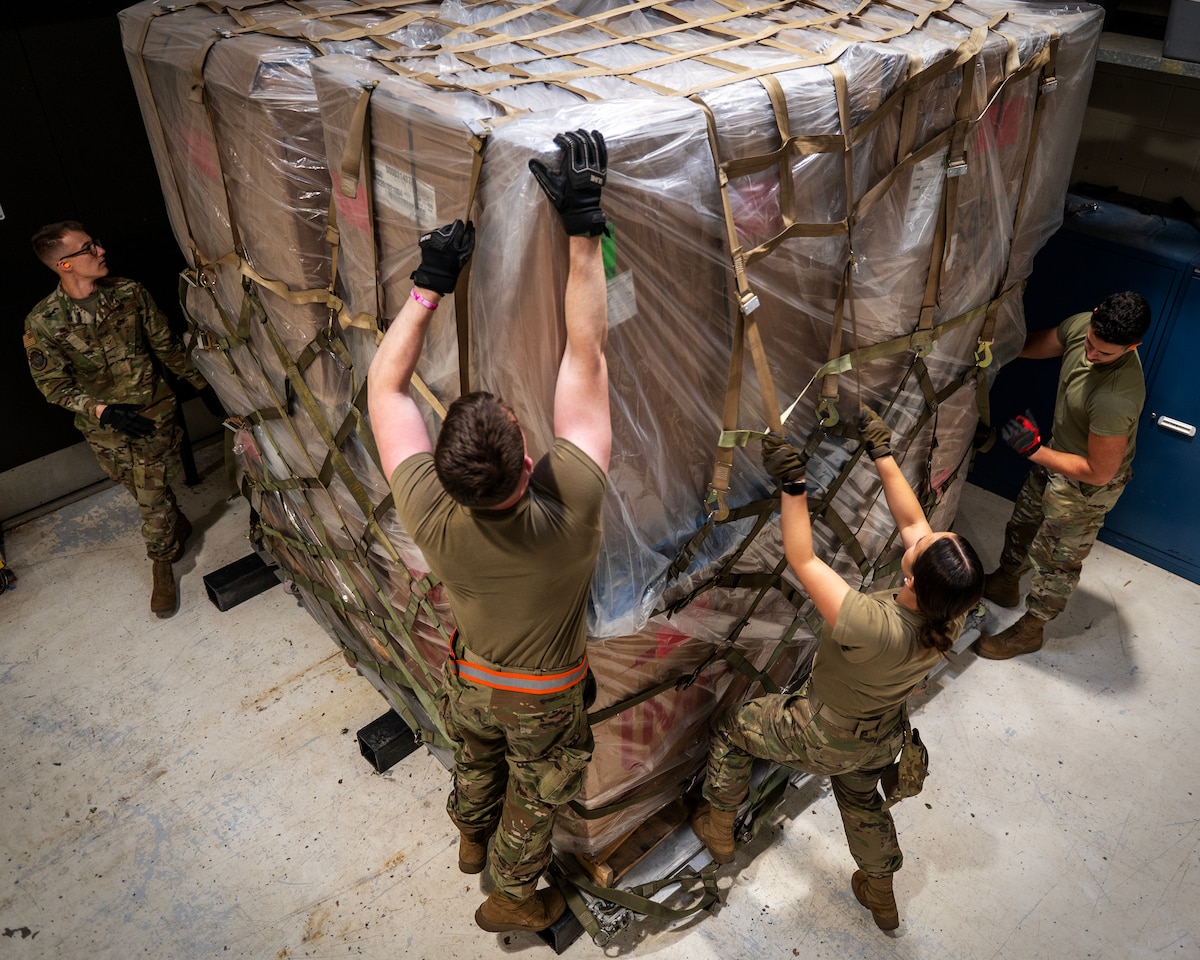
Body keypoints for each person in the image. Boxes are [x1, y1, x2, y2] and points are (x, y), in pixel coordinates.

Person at [367, 129, 612, 935]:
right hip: (542, 701)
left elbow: (387, 385)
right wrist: (582, 227)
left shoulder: (430, 510)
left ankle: (469, 835)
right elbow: (587, 352)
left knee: (476, 757)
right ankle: (507, 888)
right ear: (528, 452)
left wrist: (433, 281)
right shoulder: (570, 502)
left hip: (470, 682)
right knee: (535, 795)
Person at [691, 408, 984, 931]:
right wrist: (882, 451)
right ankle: (881, 890)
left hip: (822, 733)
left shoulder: (872, 623)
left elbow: (802, 559)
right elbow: (914, 523)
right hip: (880, 733)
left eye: (921, 550)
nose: (920, 535)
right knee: (861, 801)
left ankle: (718, 824)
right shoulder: (950, 616)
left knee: (735, 730)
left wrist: (794, 486)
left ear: (911, 578)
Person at [23, 222, 210, 618]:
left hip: (152, 412)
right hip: (105, 430)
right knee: (138, 488)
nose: (101, 250)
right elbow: (53, 386)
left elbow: (166, 346)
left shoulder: (129, 293)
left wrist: (202, 385)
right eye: (88, 248)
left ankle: (162, 563)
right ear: (65, 264)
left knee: (150, 494)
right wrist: (102, 411)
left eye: (95, 243)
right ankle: (175, 524)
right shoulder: (43, 322)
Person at [975, 291, 1151, 660]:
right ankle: (1006, 582)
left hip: (1086, 486)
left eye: (1105, 354)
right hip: (1057, 456)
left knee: (1057, 559)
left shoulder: (1115, 397)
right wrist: (993, 349)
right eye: (1090, 342)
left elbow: (1099, 472)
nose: (1091, 354)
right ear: (1094, 317)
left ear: (1132, 347)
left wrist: (1034, 450)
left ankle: (1031, 629)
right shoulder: (1084, 325)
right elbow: (1039, 344)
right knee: (1023, 523)